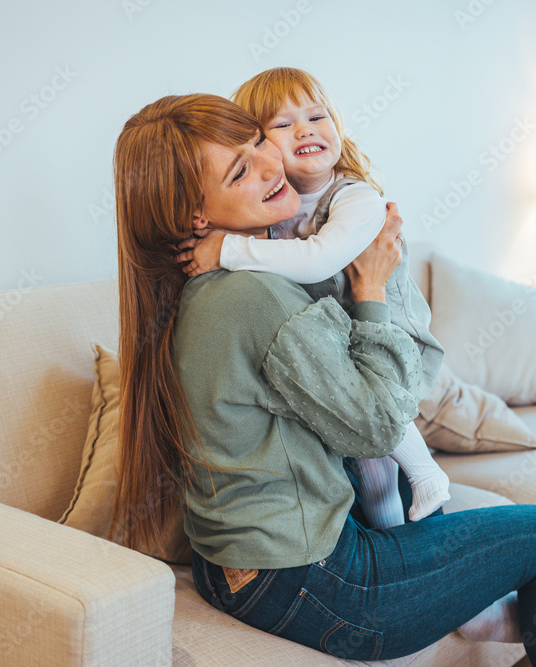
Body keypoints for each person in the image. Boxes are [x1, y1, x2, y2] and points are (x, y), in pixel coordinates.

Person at [110, 92, 536, 665]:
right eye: (240, 171)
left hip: (229, 570)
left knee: (418, 498)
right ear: (195, 216)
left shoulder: (195, 288)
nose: (271, 164)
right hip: (308, 579)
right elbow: (380, 426)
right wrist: (371, 288)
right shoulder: (255, 296)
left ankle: (481, 609)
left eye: (258, 141)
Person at [175, 67, 448, 530]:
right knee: (368, 466)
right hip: (341, 345)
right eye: (282, 125)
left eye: (317, 117)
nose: (304, 130)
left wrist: (226, 249)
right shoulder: (277, 211)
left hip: (393, 338)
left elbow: (318, 261)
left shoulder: (356, 198)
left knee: (381, 438)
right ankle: (394, 526)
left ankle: (425, 478)